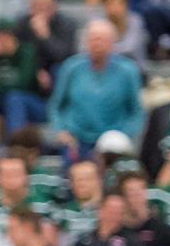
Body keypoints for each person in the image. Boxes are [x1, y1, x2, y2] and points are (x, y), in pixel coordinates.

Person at [49, 19, 144, 160]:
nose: (97, 44)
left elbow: (137, 111)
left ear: (113, 43)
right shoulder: (71, 68)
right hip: (77, 138)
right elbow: (56, 105)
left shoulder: (128, 71)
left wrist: (124, 135)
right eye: (93, 39)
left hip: (112, 139)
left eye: (102, 40)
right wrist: (61, 130)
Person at [0, 19, 43, 138]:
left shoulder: (26, 52)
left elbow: (23, 84)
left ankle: (15, 142)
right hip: (1, 101)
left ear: (10, 37)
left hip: (30, 102)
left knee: (14, 98)